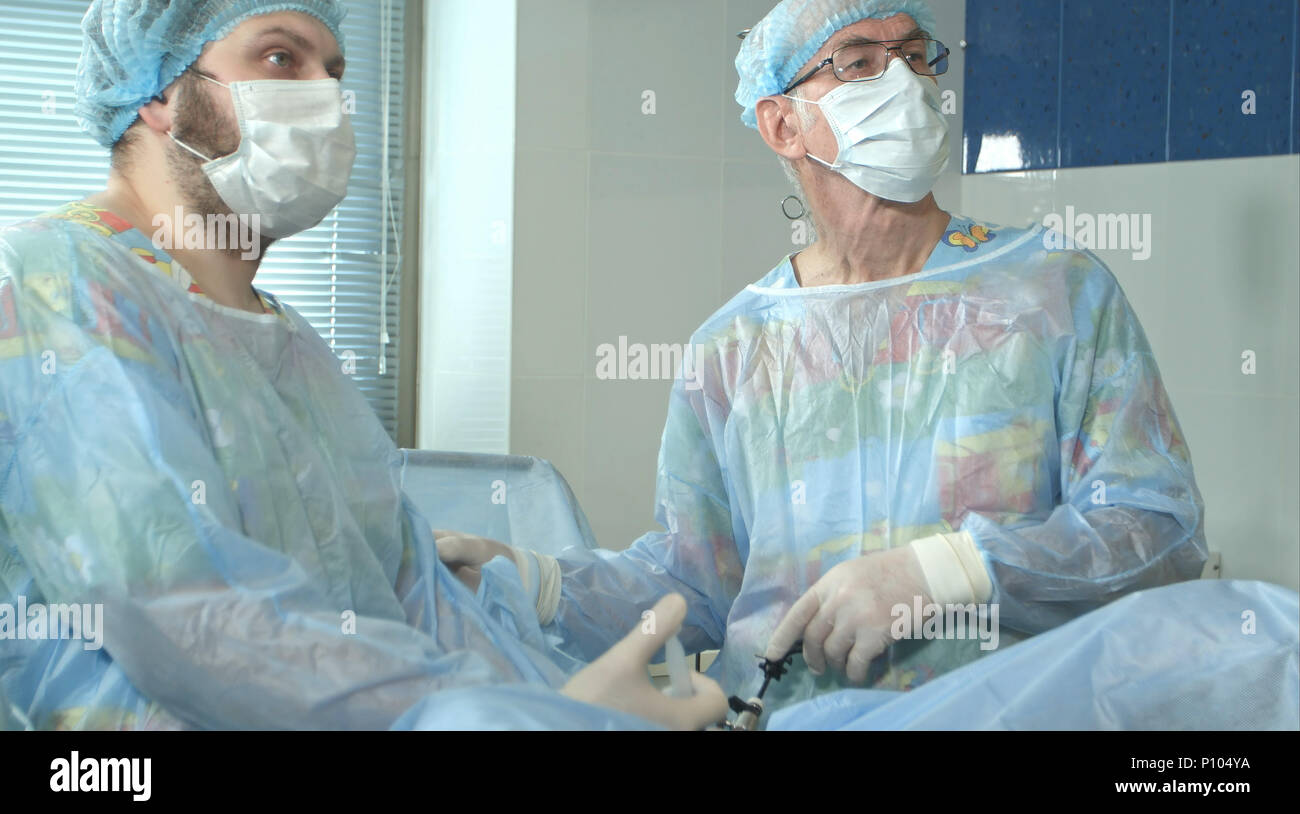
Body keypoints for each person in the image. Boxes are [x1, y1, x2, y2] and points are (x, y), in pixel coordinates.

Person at [440, 0, 1209, 721]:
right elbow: (692, 582)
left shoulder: (1052, 291)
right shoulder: (735, 348)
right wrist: (537, 582)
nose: (904, 79)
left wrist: (947, 575)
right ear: (782, 124)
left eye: (915, 54)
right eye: (858, 61)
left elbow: (1157, 533)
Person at [0, 0, 726, 731]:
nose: (324, 94)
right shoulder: (55, 285)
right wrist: (491, 716)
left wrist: (550, 703)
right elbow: (179, 613)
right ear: (159, 91)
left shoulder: (292, 343)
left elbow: (416, 596)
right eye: (282, 58)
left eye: (335, 69)